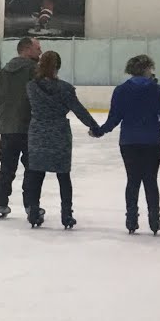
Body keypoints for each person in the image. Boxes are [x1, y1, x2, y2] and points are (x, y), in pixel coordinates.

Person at [94, 54, 160, 235]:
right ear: (147, 69)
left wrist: (100, 131)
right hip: (152, 141)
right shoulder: (156, 90)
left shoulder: (121, 90)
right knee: (150, 180)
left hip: (129, 141)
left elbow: (114, 118)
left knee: (133, 180)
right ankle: (154, 219)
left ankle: (131, 218)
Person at [22, 50, 100, 229]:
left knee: (36, 174)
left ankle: (34, 212)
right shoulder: (65, 88)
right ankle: (66, 214)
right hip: (59, 133)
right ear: (58, 66)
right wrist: (94, 127)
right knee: (63, 176)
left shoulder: (31, 87)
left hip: (38, 133)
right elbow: (78, 110)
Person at [0, 37, 40, 220]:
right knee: (32, 168)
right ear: (26, 49)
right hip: (29, 127)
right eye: (37, 48)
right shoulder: (34, 70)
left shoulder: (3, 72)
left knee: (6, 168)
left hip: (7, 128)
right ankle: (31, 205)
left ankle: (0, 203)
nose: (40, 52)